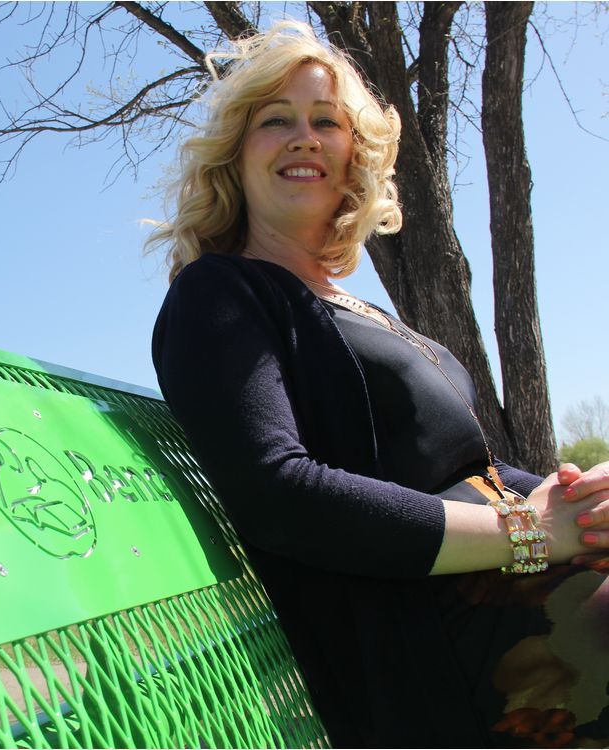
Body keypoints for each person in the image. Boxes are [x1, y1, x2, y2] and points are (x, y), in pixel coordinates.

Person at [150, 21, 609, 748]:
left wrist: (581, 501)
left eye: (325, 122)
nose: (304, 137)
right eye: (276, 121)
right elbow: (279, 492)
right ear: (235, 158)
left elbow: (473, 469)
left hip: (516, 593)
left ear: (353, 157)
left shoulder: (360, 310)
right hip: (438, 654)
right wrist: (527, 533)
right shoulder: (223, 294)